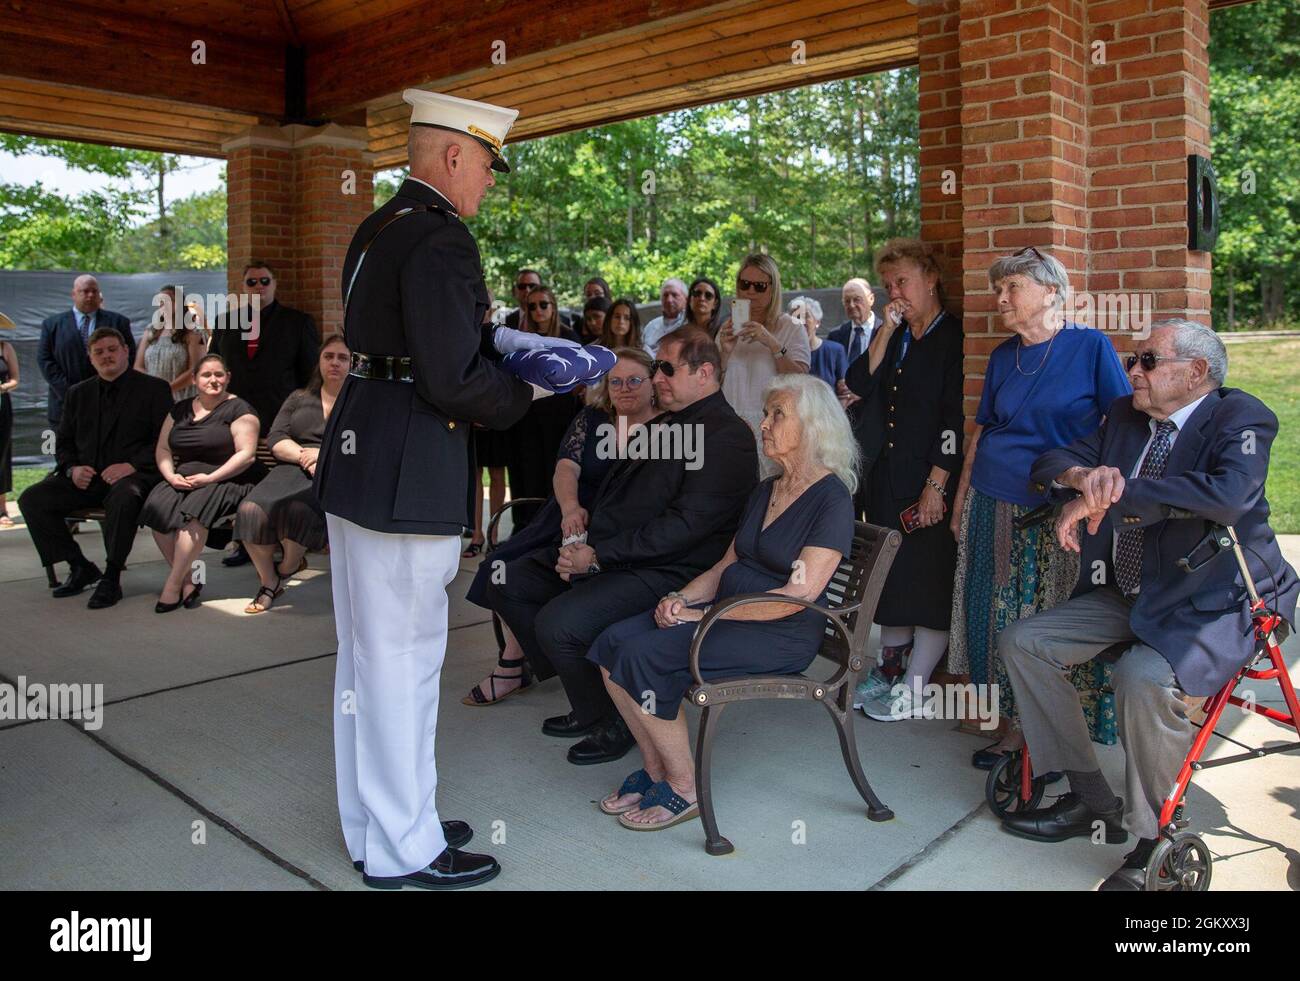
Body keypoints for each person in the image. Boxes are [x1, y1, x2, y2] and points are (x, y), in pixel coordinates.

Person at [312, 90, 535, 890]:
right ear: (453, 155)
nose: (489, 182)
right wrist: (530, 387)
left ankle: (376, 825)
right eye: (486, 165)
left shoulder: (378, 227)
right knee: (402, 662)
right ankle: (405, 846)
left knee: (366, 660)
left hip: (361, 464)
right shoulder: (442, 237)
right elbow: (450, 378)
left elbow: (411, 346)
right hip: (408, 473)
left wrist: (493, 343)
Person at [997, 319, 1299, 890]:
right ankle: (1091, 799)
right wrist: (1083, 477)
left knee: (1141, 678)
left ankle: (1151, 833)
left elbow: (1229, 496)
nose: (1133, 370)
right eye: (1133, 360)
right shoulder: (1126, 414)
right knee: (1025, 642)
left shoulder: (1241, 417)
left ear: (1196, 372)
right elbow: (1051, 461)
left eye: (1148, 360)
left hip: (1220, 598)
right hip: (1135, 589)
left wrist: (1112, 496)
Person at [590, 373, 857, 828]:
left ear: (813, 427)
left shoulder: (831, 499)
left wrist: (702, 617)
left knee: (643, 655)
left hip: (781, 631)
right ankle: (655, 771)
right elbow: (724, 566)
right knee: (611, 642)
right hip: (727, 616)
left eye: (777, 414)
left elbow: (800, 595)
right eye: (766, 413)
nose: (763, 423)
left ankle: (684, 787)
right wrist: (680, 598)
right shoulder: (768, 489)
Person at [482, 329, 758, 764]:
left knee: (559, 623)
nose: (657, 377)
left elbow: (686, 526)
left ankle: (612, 720)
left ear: (704, 373)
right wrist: (579, 543)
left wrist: (598, 558)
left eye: (666, 368)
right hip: (622, 552)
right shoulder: (672, 421)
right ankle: (590, 698)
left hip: (673, 571)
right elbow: (617, 494)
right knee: (508, 580)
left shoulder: (725, 434)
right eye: (656, 367)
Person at [947, 248, 1132, 766]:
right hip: (990, 500)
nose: (1001, 298)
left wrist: (1096, 493)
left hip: (1054, 509)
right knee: (991, 611)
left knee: (1044, 615)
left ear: (1052, 292)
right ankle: (1011, 727)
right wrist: (960, 501)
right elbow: (982, 432)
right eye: (998, 289)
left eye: (1013, 287)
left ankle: (1045, 735)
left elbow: (1123, 427)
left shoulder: (1090, 347)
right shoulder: (1003, 356)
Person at [463, 347, 660, 705]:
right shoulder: (593, 417)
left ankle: (513, 664)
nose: (624, 388)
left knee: (544, 577)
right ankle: (529, 659)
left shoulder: (666, 428)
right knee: (498, 568)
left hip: (614, 527)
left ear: (653, 382)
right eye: (615, 381)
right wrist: (570, 509)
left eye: (634, 380)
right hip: (567, 514)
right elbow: (566, 467)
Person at [844, 239, 963, 722]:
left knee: (927, 580)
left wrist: (937, 484)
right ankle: (889, 670)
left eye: (902, 282)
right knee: (891, 577)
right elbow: (857, 383)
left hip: (927, 481)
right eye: (888, 284)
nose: (894, 292)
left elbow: (954, 419)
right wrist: (884, 332)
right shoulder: (894, 335)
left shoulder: (951, 337)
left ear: (931, 279)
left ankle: (916, 684)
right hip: (886, 476)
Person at [18, 327, 171, 607]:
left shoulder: (154, 389)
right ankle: (79, 566)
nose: (106, 356)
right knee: (32, 499)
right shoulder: (77, 393)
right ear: (90, 358)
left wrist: (131, 465)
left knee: (125, 497)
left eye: (112, 349)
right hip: (86, 479)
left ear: (126, 351)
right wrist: (72, 469)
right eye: (98, 352)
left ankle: (111, 577)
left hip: (134, 477)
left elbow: (165, 440)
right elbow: (63, 442)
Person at [210, 261, 318, 569]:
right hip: (237, 418)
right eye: (251, 282)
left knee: (278, 480)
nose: (258, 287)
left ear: (274, 284)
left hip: (279, 416)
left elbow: (309, 376)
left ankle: (285, 541)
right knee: (242, 476)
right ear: (243, 287)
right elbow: (215, 367)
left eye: (264, 281)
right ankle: (245, 541)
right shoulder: (226, 322)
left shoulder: (297, 322)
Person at [138, 353, 264, 613]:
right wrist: (170, 475)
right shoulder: (180, 409)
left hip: (228, 478)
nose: (213, 380)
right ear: (194, 379)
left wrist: (211, 478)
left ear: (228, 378)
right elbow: (163, 448)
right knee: (157, 511)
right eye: (206, 375)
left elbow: (246, 455)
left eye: (219, 374)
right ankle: (188, 580)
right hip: (184, 478)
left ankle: (173, 585)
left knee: (193, 515)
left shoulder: (239, 409)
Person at [234, 334, 349, 614]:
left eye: (342, 358)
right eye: (328, 356)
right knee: (249, 510)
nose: (334, 362)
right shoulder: (299, 397)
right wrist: (303, 456)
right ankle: (269, 580)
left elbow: (365, 445)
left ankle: (289, 565)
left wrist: (323, 456)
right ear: (319, 361)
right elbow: (276, 437)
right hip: (292, 466)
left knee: (298, 508)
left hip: (338, 471)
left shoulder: (358, 402)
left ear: (353, 364)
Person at [505, 285, 582, 529]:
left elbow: (580, 375)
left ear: (554, 307)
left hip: (559, 416)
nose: (538, 310)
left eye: (543, 304)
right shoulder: (520, 339)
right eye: (532, 306)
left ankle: (552, 528)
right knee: (525, 471)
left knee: (555, 471)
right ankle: (523, 527)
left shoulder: (568, 337)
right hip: (526, 414)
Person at [717, 253, 810, 446]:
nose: (750, 292)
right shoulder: (728, 328)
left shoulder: (791, 326)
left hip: (772, 428)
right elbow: (709, 384)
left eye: (759, 286)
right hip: (730, 425)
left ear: (773, 289)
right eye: (744, 284)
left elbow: (801, 380)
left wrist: (772, 343)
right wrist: (724, 354)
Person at [37, 274, 137, 425]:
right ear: (73, 294)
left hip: (109, 402)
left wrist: (111, 386)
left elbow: (129, 356)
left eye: (94, 291)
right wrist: (70, 392)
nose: (90, 295)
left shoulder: (118, 322)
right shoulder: (52, 325)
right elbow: (45, 360)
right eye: (85, 291)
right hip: (65, 404)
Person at [135, 285, 208, 401]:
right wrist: (152, 387)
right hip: (152, 396)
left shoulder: (194, 332)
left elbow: (196, 369)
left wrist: (166, 389)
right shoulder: (151, 330)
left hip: (182, 399)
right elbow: (138, 366)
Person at [829, 277, 877, 413]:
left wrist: (863, 390)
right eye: (847, 301)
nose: (851, 305)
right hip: (844, 413)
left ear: (871, 299)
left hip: (876, 411)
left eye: (857, 299)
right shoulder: (835, 336)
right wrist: (838, 384)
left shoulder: (886, 333)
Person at [791, 295, 847, 390]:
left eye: (806, 316)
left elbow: (845, 390)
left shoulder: (835, 351)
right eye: (797, 317)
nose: (801, 322)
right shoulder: (785, 353)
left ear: (817, 322)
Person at [641, 278, 688, 354]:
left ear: (686, 300)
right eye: (665, 295)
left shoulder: (690, 326)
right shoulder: (651, 326)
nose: (669, 300)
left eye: (674, 295)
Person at [0, 314, 16, 527]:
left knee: (1, 454)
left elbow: (15, 379)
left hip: (2, 406)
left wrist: (2, 387)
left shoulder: (5, 348)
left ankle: (2, 508)